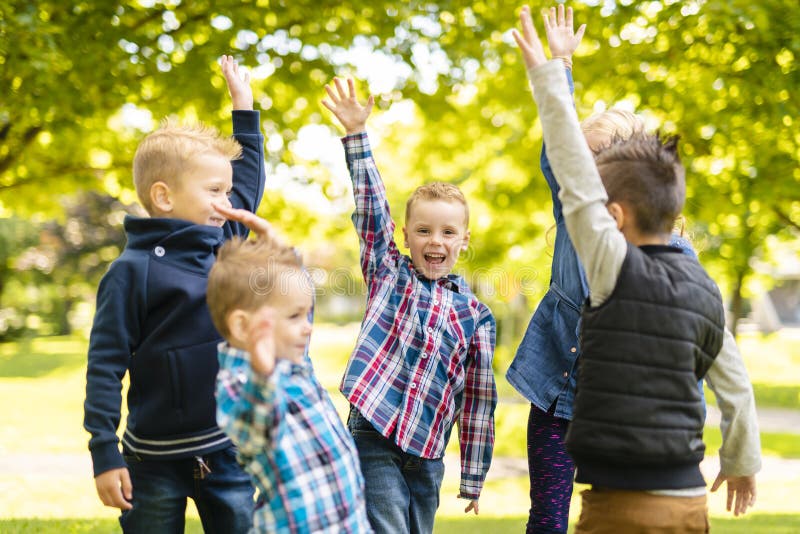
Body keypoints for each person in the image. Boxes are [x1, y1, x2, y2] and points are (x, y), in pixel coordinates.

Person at [512, 5, 760, 532]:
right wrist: (561, 66)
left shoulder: (631, 261)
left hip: (625, 456)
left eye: (601, 166)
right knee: (549, 518)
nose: (585, 179)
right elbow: (563, 161)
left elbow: (725, 363)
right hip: (579, 411)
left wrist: (548, 76)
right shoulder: (687, 279)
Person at [83, 56, 265, 533]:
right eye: (213, 191)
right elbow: (104, 365)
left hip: (228, 451)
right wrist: (104, 450)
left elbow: (247, 184)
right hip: (151, 461)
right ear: (164, 197)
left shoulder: (224, 245)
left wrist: (243, 109)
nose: (228, 203)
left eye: (227, 192)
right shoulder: (131, 272)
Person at [321, 78, 497, 533]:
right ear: (405, 235)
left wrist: (474, 474)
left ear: (463, 241)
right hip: (373, 434)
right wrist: (357, 137)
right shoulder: (388, 273)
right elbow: (371, 211)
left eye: (447, 232)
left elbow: (477, 399)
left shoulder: (476, 316)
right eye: (423, 231)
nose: (434, 241)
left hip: (428, 451)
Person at [207, 204, 372, 533]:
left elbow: (290, 291)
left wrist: (280, 252)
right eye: (295, 317)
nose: (308, 326)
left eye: (306, 313)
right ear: (243, 327)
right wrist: (263, 374)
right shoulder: (239, 384)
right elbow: (258, 430)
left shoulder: (293, 363)